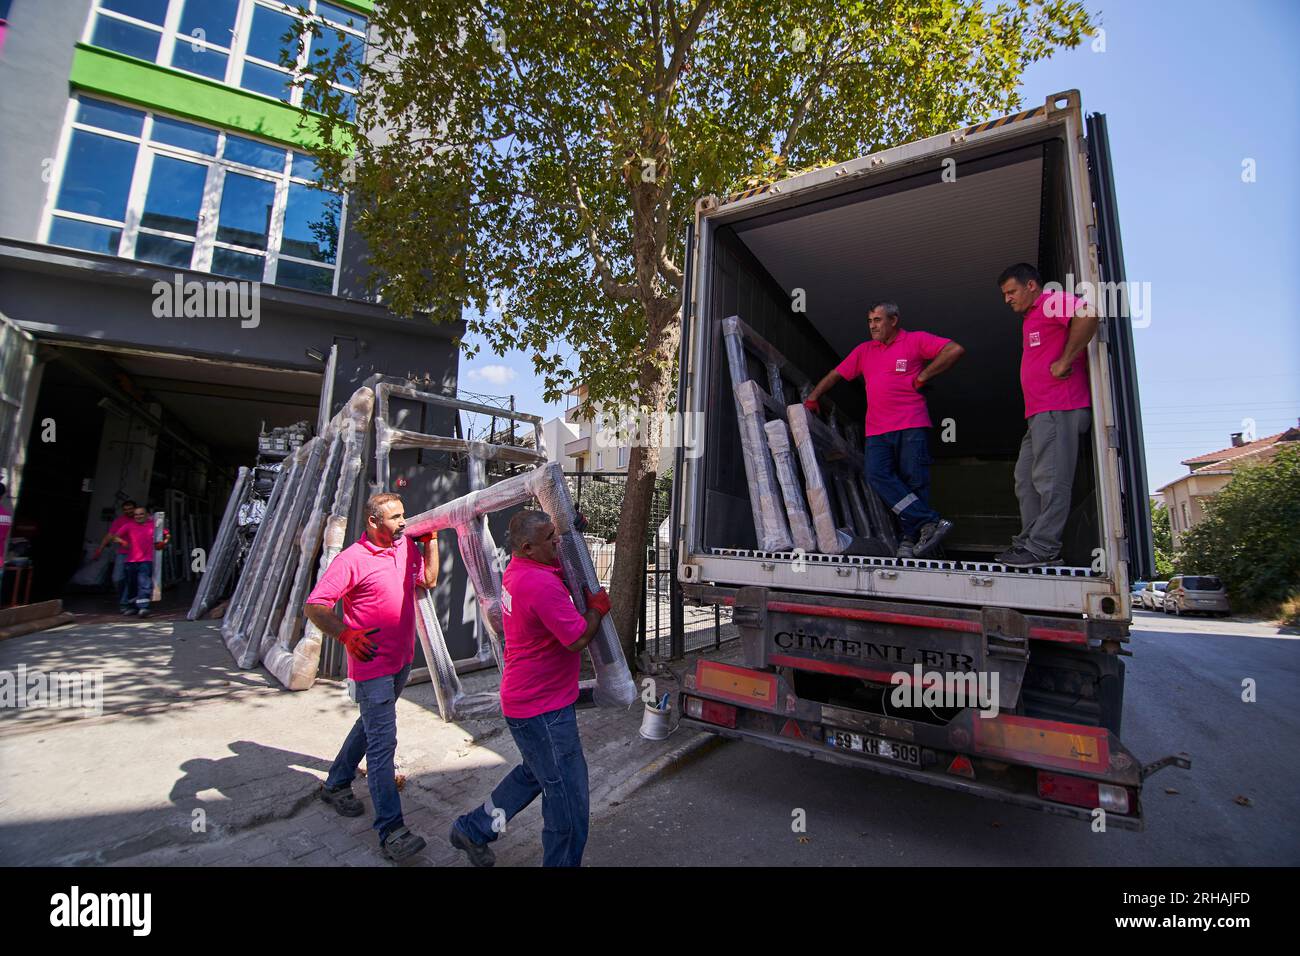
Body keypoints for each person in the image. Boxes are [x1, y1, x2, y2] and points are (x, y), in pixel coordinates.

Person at [449, 510, 611, 868]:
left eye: (556, 534)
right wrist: (597, 610)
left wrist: (571, 537)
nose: (557, 542)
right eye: (551, 538)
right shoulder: (538, 585)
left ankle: (473, 829)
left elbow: (560, 567)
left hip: (529, 703)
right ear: (527, 547)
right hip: (543, 711)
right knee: (568, 801)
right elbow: (578, 638)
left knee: (534, 775)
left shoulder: (523, 568)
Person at [304, 492, 439, 863]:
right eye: (395, 517)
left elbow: (428, 581)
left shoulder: (405, 546)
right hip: (372, 666)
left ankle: (335, 783)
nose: (403, 522)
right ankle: (391, 831)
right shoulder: (352, 559)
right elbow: (315, 605)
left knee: (369, 726)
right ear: (374, 522)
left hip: (401, 661)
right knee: (383, 746)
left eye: (404, 515)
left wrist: (432, 545)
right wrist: (346, 634)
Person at [804, 302, 965, 558]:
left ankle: (910, 540)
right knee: (876, 474)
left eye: (878, 320)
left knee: (914, 483)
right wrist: (813, 397)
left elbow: (954, 350)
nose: (872, 326)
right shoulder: (865, 351)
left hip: (912, 424)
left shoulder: (915, 341)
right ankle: (927, 522)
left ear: (894, 320)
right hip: (877, 430)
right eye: (870, 321)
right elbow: (836, 374)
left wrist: (923, 377)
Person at [994, 263, 1099, 567]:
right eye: (1004, 294)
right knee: (1025, 479)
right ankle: (1029, 543)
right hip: (1040, 413)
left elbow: (1088, 314)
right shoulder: (1030, 318)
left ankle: (1043, 548)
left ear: (1031, 286)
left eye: (1011, 292)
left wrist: (1066, 359)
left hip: (1059, 408)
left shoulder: (1051, 301)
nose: (1007, 299)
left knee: (1050, 480)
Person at [118, 506, 167, 616]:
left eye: (141, 514)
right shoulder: (128, 526)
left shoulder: (153, 526)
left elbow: (167, 534)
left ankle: (143, 608)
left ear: (147, 515)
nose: (138, 516)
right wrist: (123, 542)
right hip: (130, 561)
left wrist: (163, 543)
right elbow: (115, 536)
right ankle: (132, 607)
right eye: (136, 514)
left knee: (144, 584)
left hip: (146, 560)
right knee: (131, 585)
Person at [95, 499, 137, 592]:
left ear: (135, 509)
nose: (128, 511)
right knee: (117, 578)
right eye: (125, 509)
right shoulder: (120, 521)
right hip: (123, 553)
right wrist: (100, 549)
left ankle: (129, 598)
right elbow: (110, 536)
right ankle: (123, 597)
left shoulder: (141, 519)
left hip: (138, 554)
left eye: (130, 509)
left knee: (135, 577)